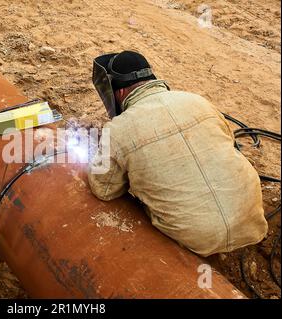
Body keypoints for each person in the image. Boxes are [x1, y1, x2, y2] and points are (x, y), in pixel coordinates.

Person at [88, 50, 268, 256]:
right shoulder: (198, 101)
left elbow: (104, 190)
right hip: (251, 217)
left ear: (119, 93)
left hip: (197, 238)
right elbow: (231, 144)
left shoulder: (119, 129)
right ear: (151, 80)